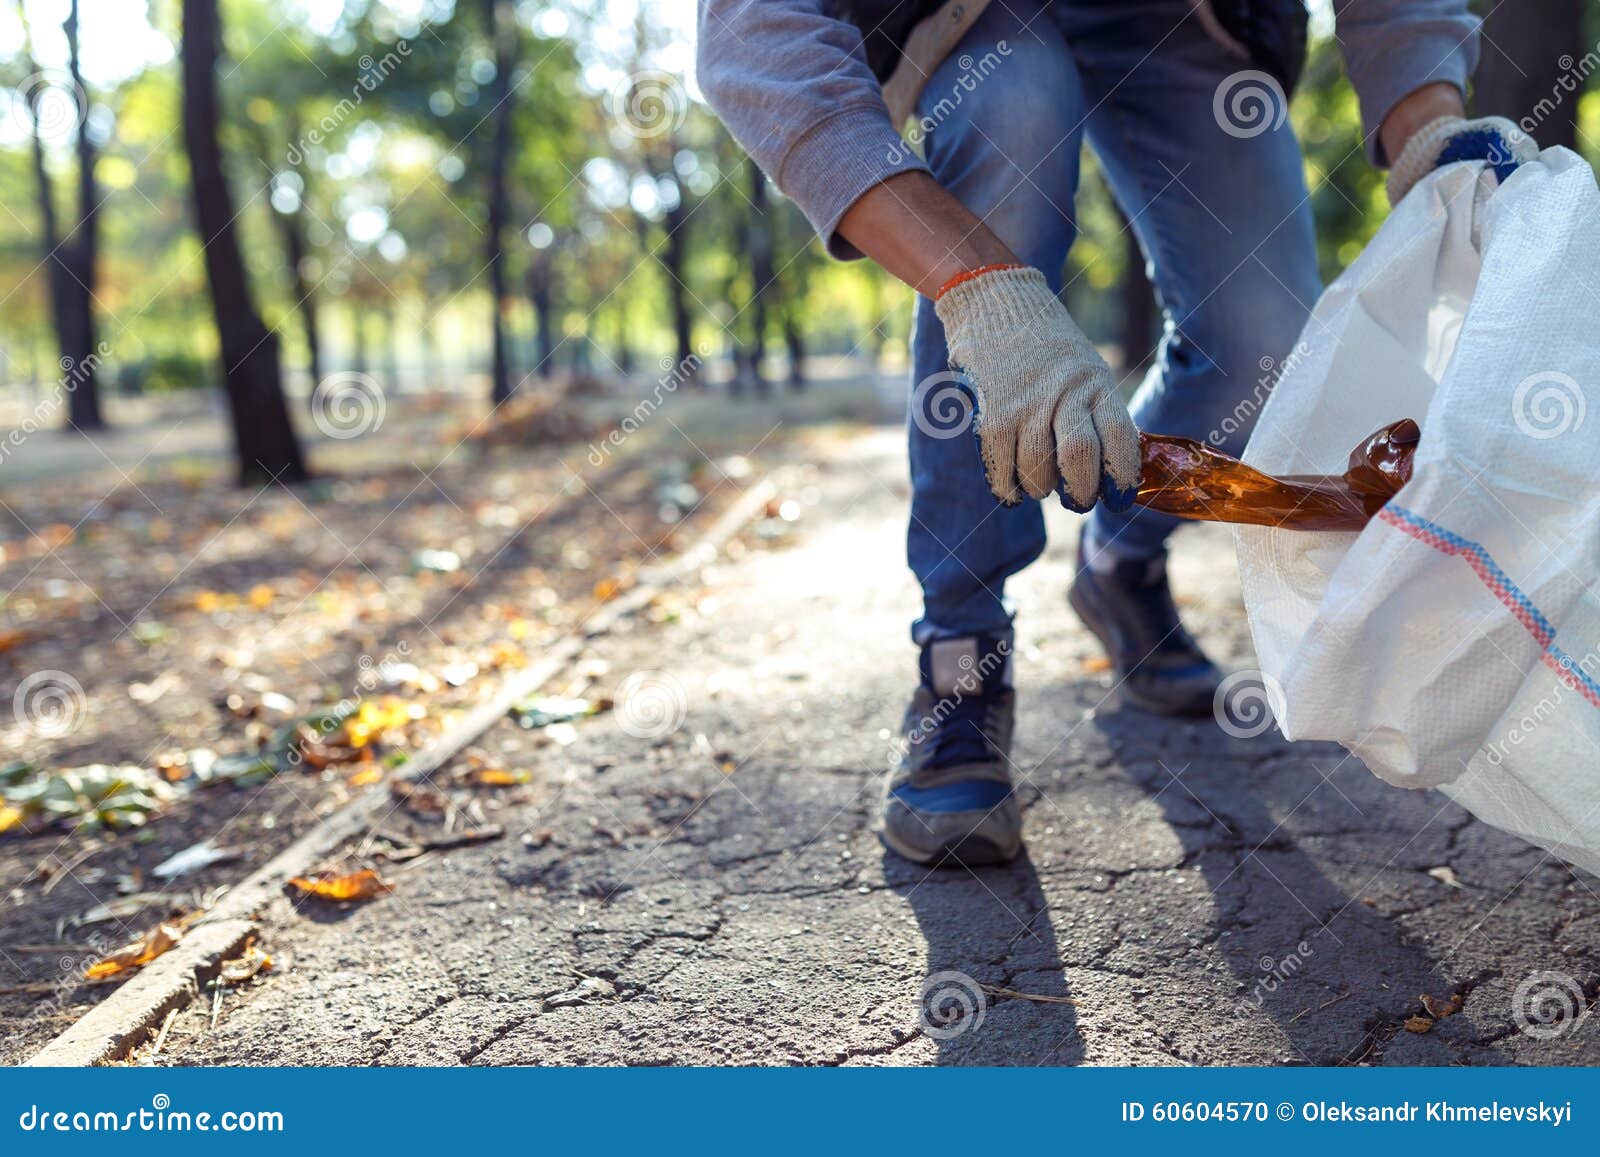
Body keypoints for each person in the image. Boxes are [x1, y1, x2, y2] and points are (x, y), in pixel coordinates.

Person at [696, 0, 1535, 866]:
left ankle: (1117, 562)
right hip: (975, 20)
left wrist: (1428, 129)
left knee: (1264, 333)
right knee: (1012, 102)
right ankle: (959, 656)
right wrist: (978, 284)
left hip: (1185, 18)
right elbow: (756, 39)